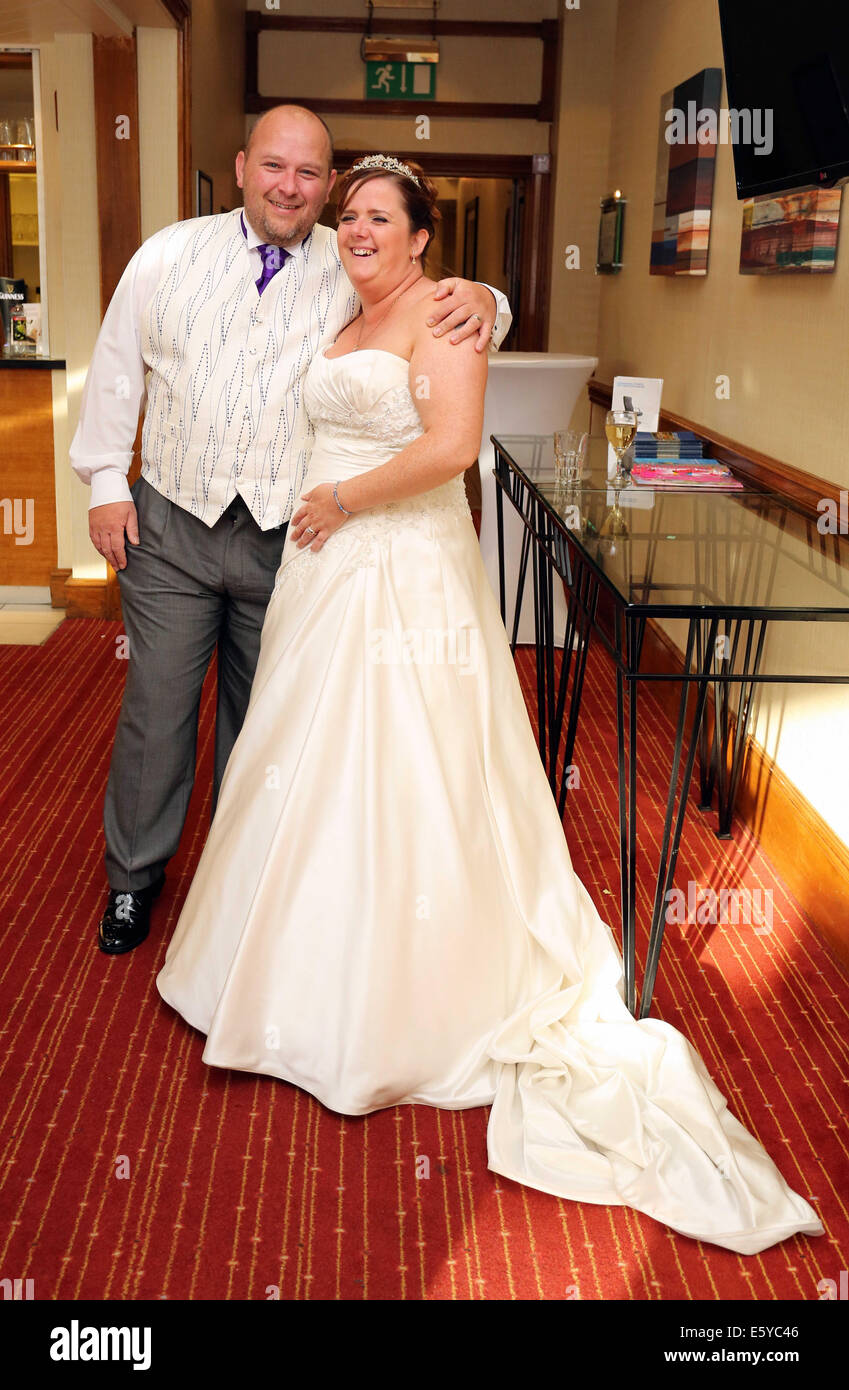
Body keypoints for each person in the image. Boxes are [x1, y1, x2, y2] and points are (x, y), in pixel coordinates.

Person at [155, 155, 825, 1255]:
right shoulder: (338, 291)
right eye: (349, 215)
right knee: (300, 756)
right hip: (324, 574)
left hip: (400, 565)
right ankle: (268, 964)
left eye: (381, 217)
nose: (357, 230)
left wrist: (340, 495)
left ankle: (406, 995)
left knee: (405, 763)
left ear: (425, 238)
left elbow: (453, 448)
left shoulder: (452, 313)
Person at [69, 107, 509, 957]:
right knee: (156, 708)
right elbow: (117, 365)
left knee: (267, 714)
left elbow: (431, 308)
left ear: (326, 185)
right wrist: (101, 482)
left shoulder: (350, 265)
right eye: (274, 166)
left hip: (288, 532)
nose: (290, 187)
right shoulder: (167, 253)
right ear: (241, 166)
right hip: (170, 519)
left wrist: (487, 297)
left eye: (311, 175)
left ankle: (250, 884)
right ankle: (134, 879)